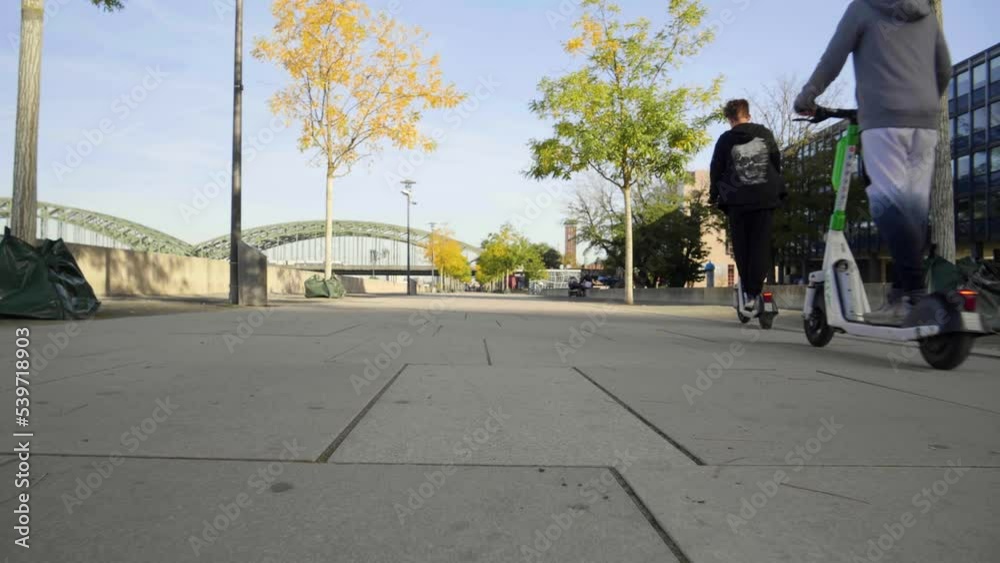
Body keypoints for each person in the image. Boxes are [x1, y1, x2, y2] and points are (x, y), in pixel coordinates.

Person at [794, 0, 951, 326]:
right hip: (924, 122)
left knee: (887, 205)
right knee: (914, 209)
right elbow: (944, 69)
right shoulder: (926, 13)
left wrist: (807, 96)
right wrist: (923, 101)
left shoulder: (863, 7)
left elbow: (833, 58)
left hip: (884, 119)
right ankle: (900, 297)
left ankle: (915, 294)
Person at [709, 99, 786, 312]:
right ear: (748, 115)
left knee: (742, 247)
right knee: (761, 244)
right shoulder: (765, 133)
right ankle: (755, 289)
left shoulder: (725, 139)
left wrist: (714, 195)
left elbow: (716, 169)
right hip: (765, 196)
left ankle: (751, 293)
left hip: (737, 199)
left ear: (730, 119)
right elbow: (775, 160)